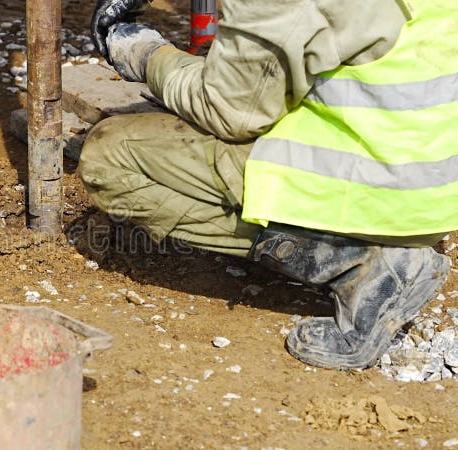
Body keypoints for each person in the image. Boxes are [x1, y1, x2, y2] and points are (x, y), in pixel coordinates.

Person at [79, 0, 457, 369]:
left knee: (110, 157)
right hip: (437, 183)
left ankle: (362, 264)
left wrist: (149, 56)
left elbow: (229, 111)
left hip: (388, 194)